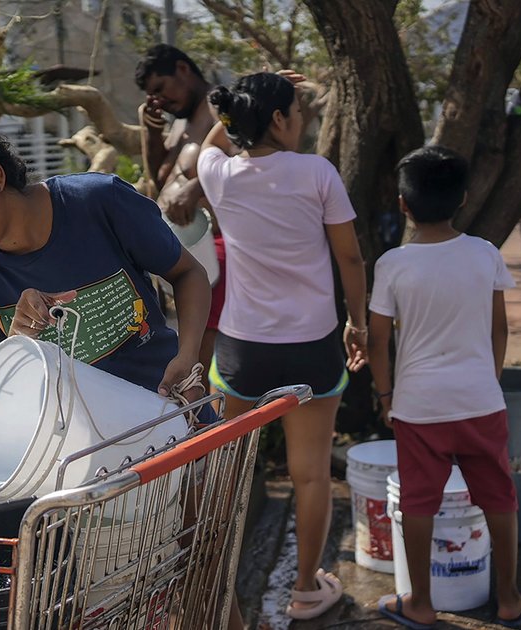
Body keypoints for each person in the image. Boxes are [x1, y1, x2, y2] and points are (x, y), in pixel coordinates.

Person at [0, 110, 211, 413]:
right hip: (80, 450)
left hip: (170, 410)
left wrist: (187, 356)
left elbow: (187, 273)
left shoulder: (99, 201)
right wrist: (19, 340)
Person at [197, 73, 369, 621]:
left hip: (241, 351)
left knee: (225, 472)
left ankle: (212, 585)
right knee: (311, 473)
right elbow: (350, 259)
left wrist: (239, 107)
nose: (302, 118)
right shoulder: (317, 172)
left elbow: (211, 141)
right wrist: (357, 322)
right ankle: (304, 591)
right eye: (296, 109)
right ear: (279, 120)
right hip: (312, 348)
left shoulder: (219, 175)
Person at [369, 146, 521, 629]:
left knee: (418, 502)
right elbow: (500, 329)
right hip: (480, 400)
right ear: (463, 198)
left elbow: (378, 342)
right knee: (498, 496)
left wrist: (386, 397)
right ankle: (508, 600)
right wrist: (490, 377)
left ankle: (420, 603)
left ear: (403, 204)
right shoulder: (485, 254)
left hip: (418, 406)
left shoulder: (392, 264)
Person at [135, 44, 222, 393]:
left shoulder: (221, 107)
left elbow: (250, 161)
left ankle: (206, 431)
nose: (160, 100)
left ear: (183, 69)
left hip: (216, 257)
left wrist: (198, 186)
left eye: (161, 88)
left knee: (199, 364)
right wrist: (151, 131)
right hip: (179, 253)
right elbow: (158, 178)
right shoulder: (182, 122)